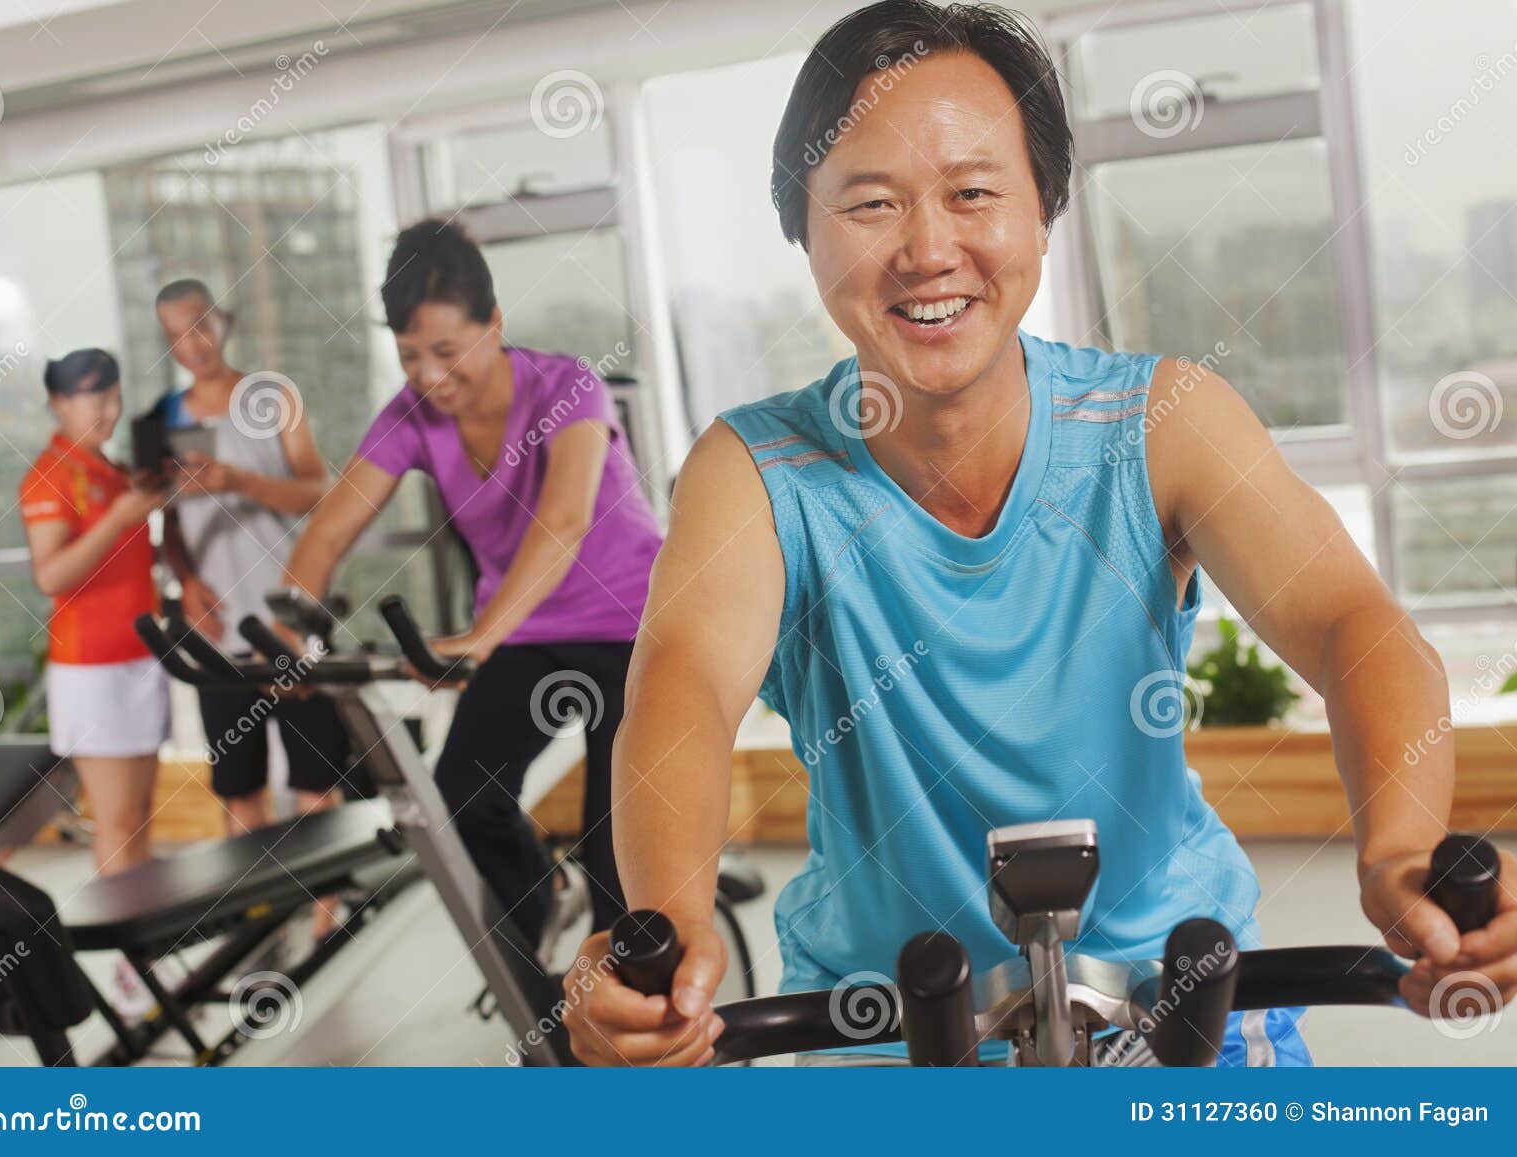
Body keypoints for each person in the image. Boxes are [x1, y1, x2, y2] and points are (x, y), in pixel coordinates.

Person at [562, 0, 1517, 1067]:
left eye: (973, 193)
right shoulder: (755, 470)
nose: (929, 250)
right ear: (803, 222)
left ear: (1042, 208)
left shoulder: (1160, 421)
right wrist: (671, 919)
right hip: (886, 1023)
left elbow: (1352, 623)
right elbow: (680, 687)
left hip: (1177, 996)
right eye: (870, 203)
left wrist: (1397, 850)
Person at [280, 217, 665, 953]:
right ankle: (540, 946)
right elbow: (328, 532)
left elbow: (562, 520)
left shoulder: (568, 387)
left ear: (495, 324)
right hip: (525, 634)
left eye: (447, 351)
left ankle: (621, 1039)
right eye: (410, 356)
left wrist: (481, 635)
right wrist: (291, 627)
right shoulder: (411, 417)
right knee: (462, 801)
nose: (429, 376)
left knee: (612, 844)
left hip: (631, 627)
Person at [150, 279, 361, 841]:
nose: (192, 345)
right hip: (219, 627)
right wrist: (187, 582)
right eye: (176, 336)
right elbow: (167, 521)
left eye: (199, 326)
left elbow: (320, 490)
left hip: (290, 615)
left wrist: (240, 482)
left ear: (224, 320)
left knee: (315, 780)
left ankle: (324, 919)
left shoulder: (273, 396)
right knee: (240, 787)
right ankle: (261, 914)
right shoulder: (162, 421)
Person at [18, 348, 170, 1014]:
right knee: (114, 821)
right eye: (91, 397)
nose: (106, 408)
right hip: (91, 668)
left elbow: (127, 560)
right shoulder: (50, 474)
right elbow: (51, 576)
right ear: (59, 403)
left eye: (112, 394)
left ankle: (149, 953)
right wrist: (120, 517)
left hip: (140, 655)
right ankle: (130, 968)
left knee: (140, 818)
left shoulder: (108, 468)